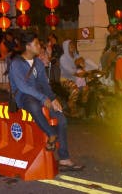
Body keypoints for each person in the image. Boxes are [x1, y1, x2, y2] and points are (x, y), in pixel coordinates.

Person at [9, 30, 84, 172]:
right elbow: (23, 87)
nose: (40, 46)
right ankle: (51, 134)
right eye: (36, 44)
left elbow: (44, 83)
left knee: (61, 118)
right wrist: (43, 99)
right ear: (28, 46)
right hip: (24, 96)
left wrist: (53, 99)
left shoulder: (37, 62)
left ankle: (64, 158)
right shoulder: (16, 63)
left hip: (40, 95)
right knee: (33, 105)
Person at [59, 39, 96, 117]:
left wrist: (92, 70)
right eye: (70, 45)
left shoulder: (77, 56)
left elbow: (85, 63)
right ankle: (72, 109)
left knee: (87, 87)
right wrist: (79, 73)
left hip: (79, 79)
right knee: (75, 89)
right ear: (66, 47)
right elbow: (70, 71)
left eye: (73, 44)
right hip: (66, 79)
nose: (73, 46)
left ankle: (83, 106)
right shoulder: (63, 58)